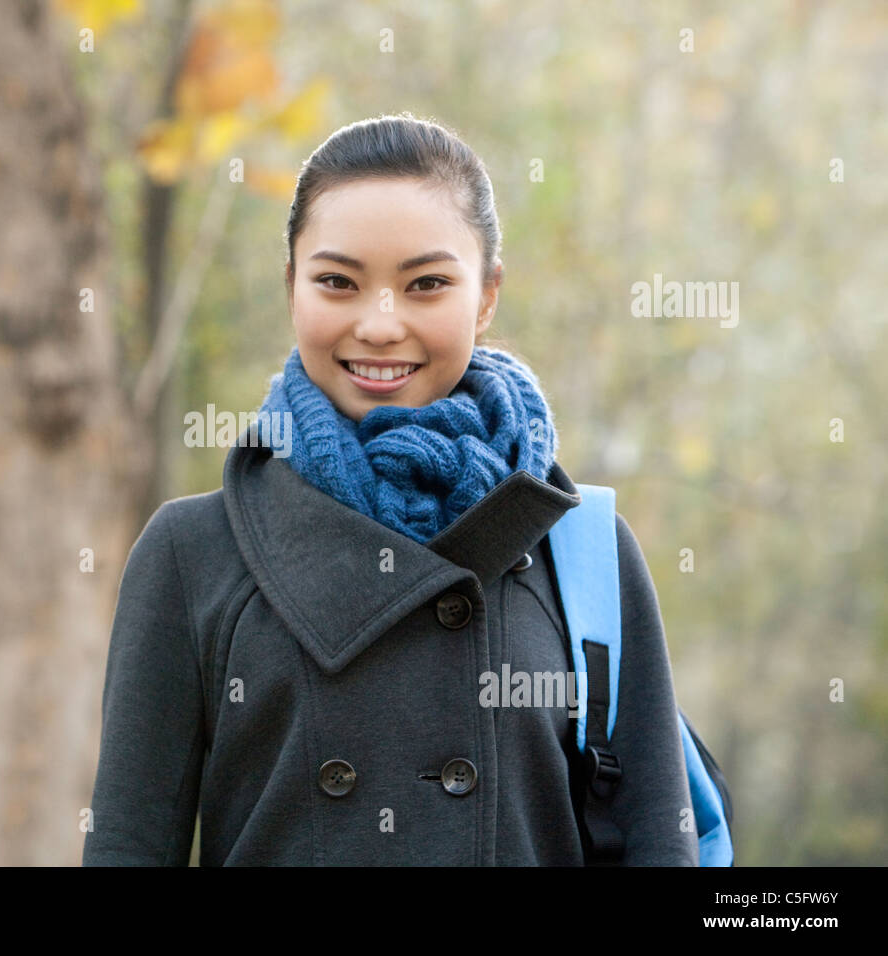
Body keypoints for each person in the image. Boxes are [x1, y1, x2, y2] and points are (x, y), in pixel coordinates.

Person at [82, 112, 697, 866]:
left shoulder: (583, 550)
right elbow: (127, 847)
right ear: (291, 287)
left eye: (427, 284)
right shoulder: (191, 555)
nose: (379, 325)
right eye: (338, 282)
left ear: (487, 296)